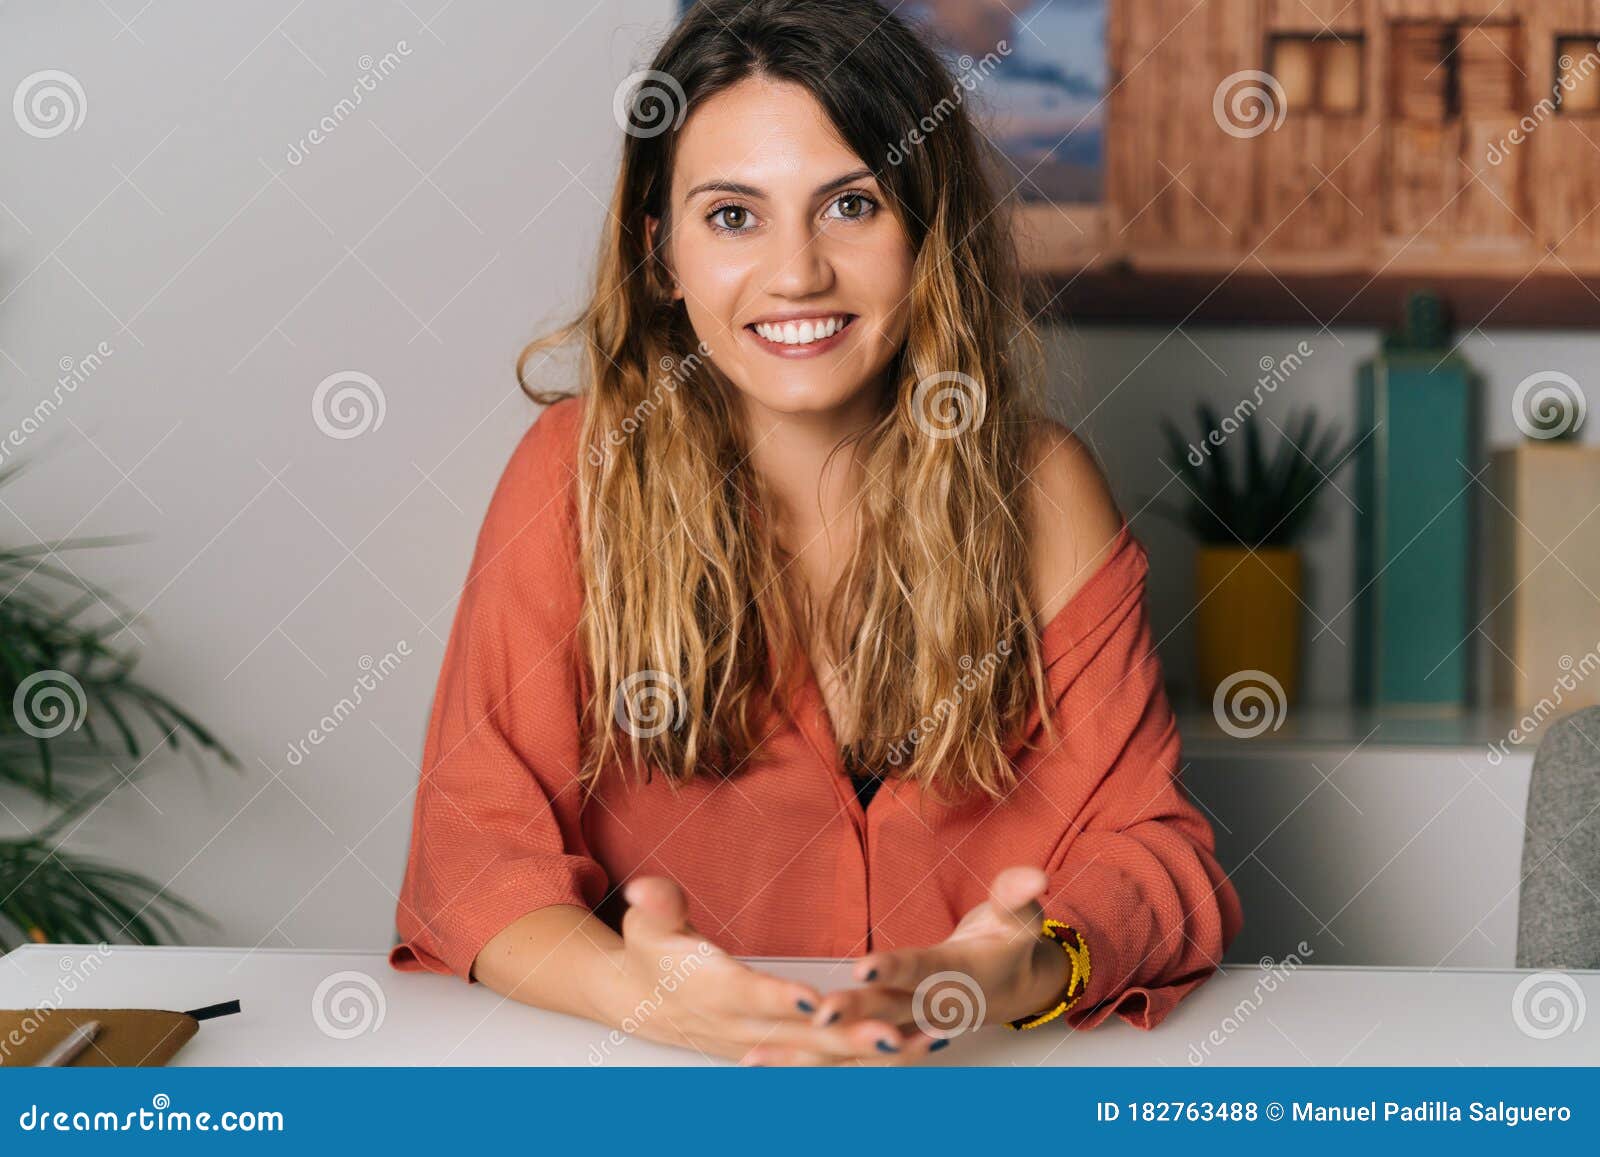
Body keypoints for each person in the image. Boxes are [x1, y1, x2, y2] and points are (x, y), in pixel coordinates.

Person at [388, 0, 1242, 1066]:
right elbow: (470, 857)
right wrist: (641, 994)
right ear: (660, 255)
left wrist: (1021, 971)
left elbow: (1152, 850)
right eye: (733, 216)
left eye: (850, 204)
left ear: (927, 230)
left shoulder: (1041, 487)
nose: (795, 273)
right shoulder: (577, 474)